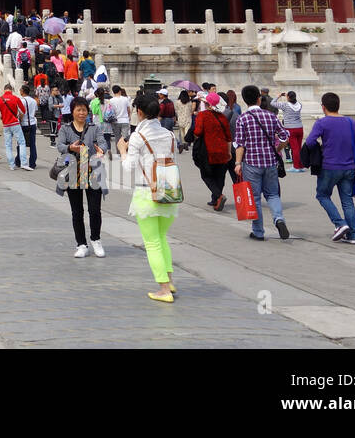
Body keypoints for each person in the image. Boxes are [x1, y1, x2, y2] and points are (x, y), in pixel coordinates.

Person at [122, 95, 179, 301]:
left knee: (152, 243)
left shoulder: (138, 136)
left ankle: (163, 289)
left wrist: (122, 151)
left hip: (146, 193)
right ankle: (170, 281)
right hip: (168, 191)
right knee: (162, 238)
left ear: (139, 113)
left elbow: (128, 167)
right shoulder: (170, 135)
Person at [234, 84, 290, 241]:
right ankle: (279, 219)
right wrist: (278, 148)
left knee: (255, 197)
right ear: (259, 99)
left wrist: (238, 163)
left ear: (245, 101)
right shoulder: (270, 116)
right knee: (272, 194)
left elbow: (240, 144)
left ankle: (258, 231)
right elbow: (285, 136)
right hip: (270, 161)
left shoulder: (242, 118)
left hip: (252, 162)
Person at [303, 92, 355, 243]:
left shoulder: (322, 123)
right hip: (349, 167)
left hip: (329, 166)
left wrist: (321, 147)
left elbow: (309, 142)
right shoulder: (351, 122)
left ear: (323, 107)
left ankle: (340, 223)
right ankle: (353, 235)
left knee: (322, 195)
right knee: (347, 201)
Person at [54, 95, 108, 258]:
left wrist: (101, 150)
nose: (82, 113)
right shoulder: (65, 129)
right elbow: (60, 145)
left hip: (92, 171)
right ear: (73, 111)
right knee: (77, 211)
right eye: (78, 110)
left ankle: (96, 240)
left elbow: (103, 143)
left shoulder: (94, 128)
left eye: (84, 110)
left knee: (94, 210)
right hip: (73, 171)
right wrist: (70, 147)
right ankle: (81, 244)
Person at [188, 92, 232, 210]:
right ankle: (215, 200)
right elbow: (228, 137)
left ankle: (219, 195)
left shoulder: (202, 115)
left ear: (207, 104)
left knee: (206, 175)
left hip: (208, 151)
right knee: (220, 176)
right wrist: (229, 153)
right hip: (223, 150)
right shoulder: (223, 117)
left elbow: (197, 132)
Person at [0, 83, 27, 170]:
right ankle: (24, 163)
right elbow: (23, 111)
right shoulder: (16, 98)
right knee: (21, 143)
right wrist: (18, 116)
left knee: (8, 145)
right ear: (11, 90)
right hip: (15, 123)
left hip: (6, 125)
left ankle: (11, 165)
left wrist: (1, 117)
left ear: (4, 90)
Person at [275, 91, 305, 169]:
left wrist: (279, 96)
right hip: (300, 128)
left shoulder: (285, 105)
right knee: (299, 147)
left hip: (291, 129)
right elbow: (294, 102)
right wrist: (288, 96)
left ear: (288, 97)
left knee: (294, 149)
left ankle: (296, 167)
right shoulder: (299, 105)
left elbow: (273, 103)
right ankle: (301, 165)